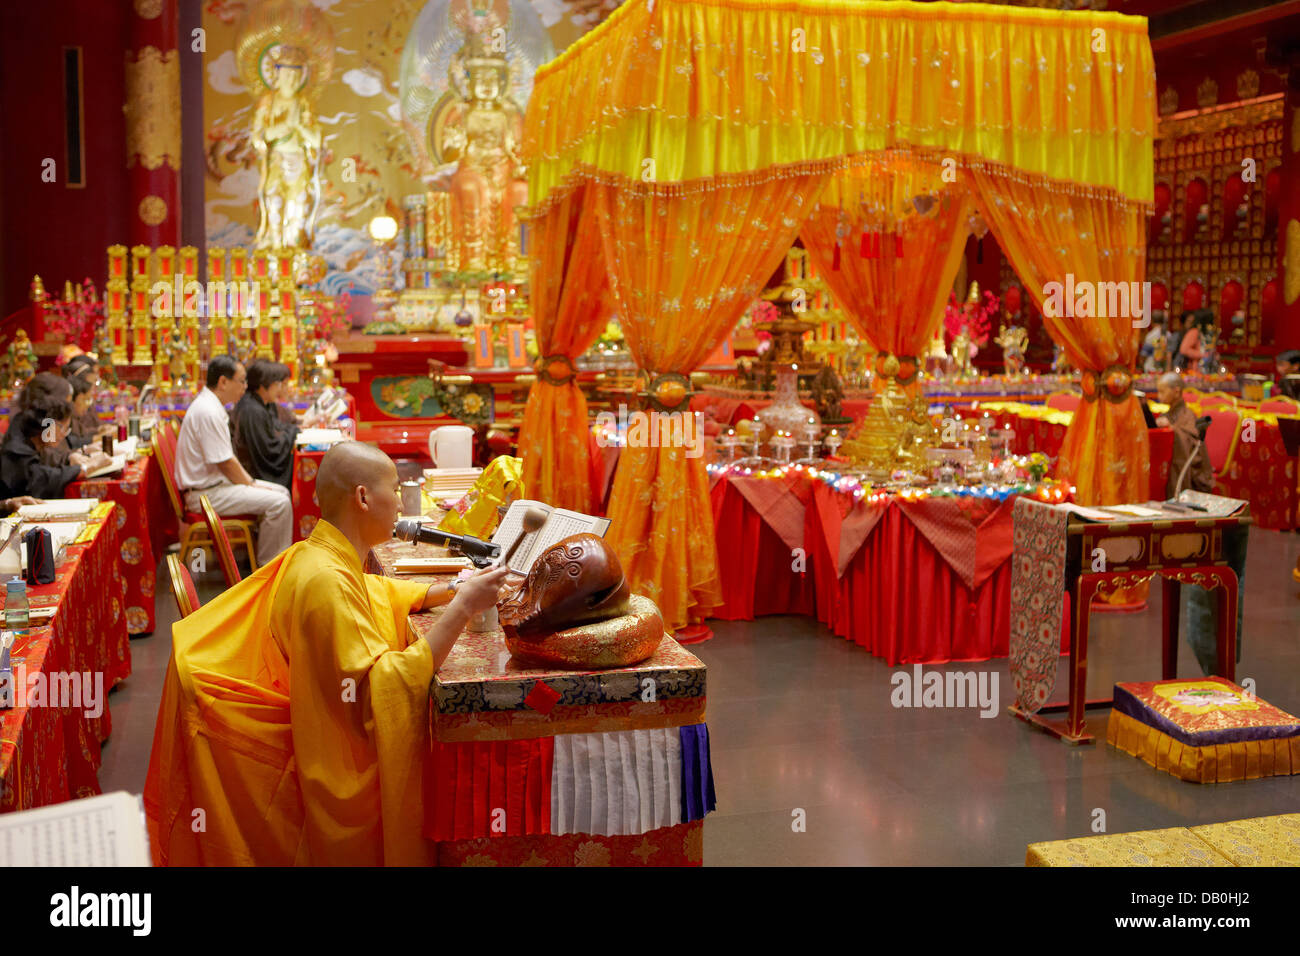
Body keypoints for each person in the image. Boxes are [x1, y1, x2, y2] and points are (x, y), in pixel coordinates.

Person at [144, 441, 510, 866]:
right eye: (394, 489)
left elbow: (373, 591)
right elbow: (380, 693)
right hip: (298, 765)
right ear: (363, 497)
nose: (399, 504)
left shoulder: (318, 553)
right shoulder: (326, 580)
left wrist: (449, 589)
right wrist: (463, 609)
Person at [175, 355, 292, 566]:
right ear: (223, 382)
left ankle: (275, 561)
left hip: (215, 486)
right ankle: (270, 568)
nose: (245, 387)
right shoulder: (208, 411)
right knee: (280, 503)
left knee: (282, 493)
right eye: (242, 381)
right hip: (206, 494)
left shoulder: (210, 405)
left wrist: (251, 484)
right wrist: (250, 484)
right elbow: (226, 463)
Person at [0, 399, 111, 498]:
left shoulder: (36, 441)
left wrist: (79, 455)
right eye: (64, 428)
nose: (64, 435)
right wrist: (86, 468)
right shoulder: (17, 447)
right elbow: (42, 479)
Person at [231, 359, 311, 489]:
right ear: (263, 385)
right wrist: (294, 432)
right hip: (254, 472)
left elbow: (276, 429)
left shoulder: (261, 404)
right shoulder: (252, 410)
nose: (279, 389)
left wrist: (294, 430)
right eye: (277, 384)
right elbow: (269, 451)